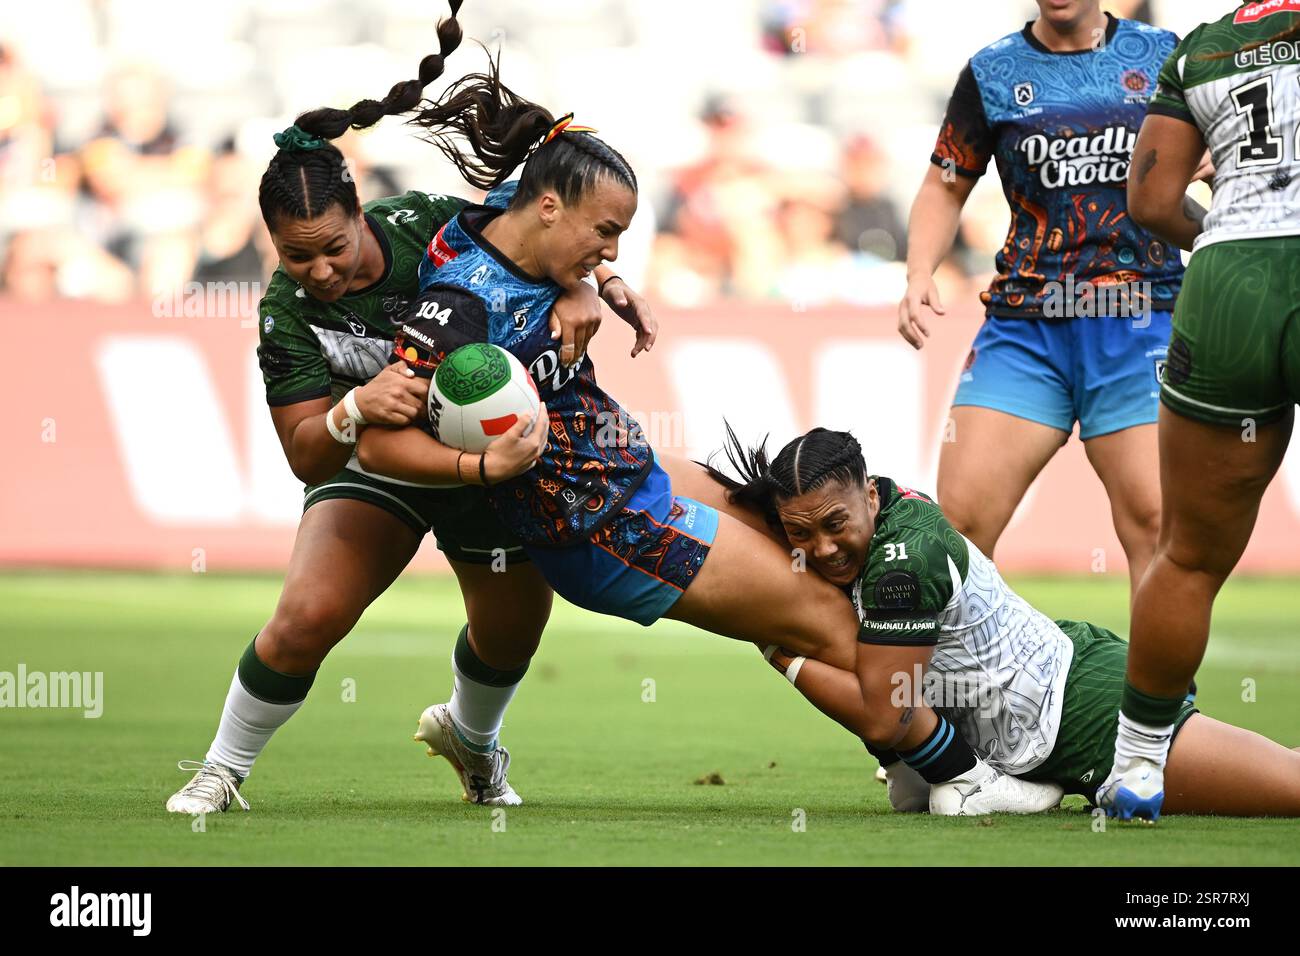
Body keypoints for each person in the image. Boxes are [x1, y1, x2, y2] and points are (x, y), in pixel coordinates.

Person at [354, 55, 1064, 815]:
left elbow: (526, 252)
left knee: (817, 570)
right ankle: (961, 778)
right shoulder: (459, 308)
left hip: (629, 474)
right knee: (820, 624)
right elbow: (376, 446)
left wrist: (593, 282)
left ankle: (911, 764)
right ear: (553, 207)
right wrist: (482, 465)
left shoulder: (509, 211)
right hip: (601, 526)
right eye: (606, 234)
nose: (615, 250)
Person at [165, 2, 656, 815]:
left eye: (333, 245)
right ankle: (221, 768)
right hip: (384, 467)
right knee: (307, 615)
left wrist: (585, 281)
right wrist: (354, 408)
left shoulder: (426, 222)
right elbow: (307, 455)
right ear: (272, 245)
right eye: (296, 255)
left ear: (361, 213)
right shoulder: (284, 314)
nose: (319, 269)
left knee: (510, 637)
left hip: (494, 468)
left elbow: (546, 219)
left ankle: (474, 740)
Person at [713, 426, 1300, 817]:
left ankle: (972, 780)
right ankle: (953, 777)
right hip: (1036, 693)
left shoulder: (902, 563)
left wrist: (778, 652)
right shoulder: (877, 511)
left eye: (833, 524)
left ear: (869, 496)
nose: (821, 548)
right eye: (800, 533)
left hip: (1081, 713)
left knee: (1290, 788)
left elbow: (883, 713)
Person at [897, 0, 1189, 599]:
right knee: (961, 529)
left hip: (1140, 318)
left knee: (1156, 526)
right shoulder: (992, 71)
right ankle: (964, 687)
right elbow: (944, 184)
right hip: (1026, 325)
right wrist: (920, 271)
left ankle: (1163, 698)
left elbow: (1216, 150)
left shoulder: (1163, 56)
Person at [1098, 4, 1300, 821]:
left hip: (1229, 286)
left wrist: (1225, 230)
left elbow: (1150, 200)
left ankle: (1140, 766)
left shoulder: (1204, 46)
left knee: (1186, 557)